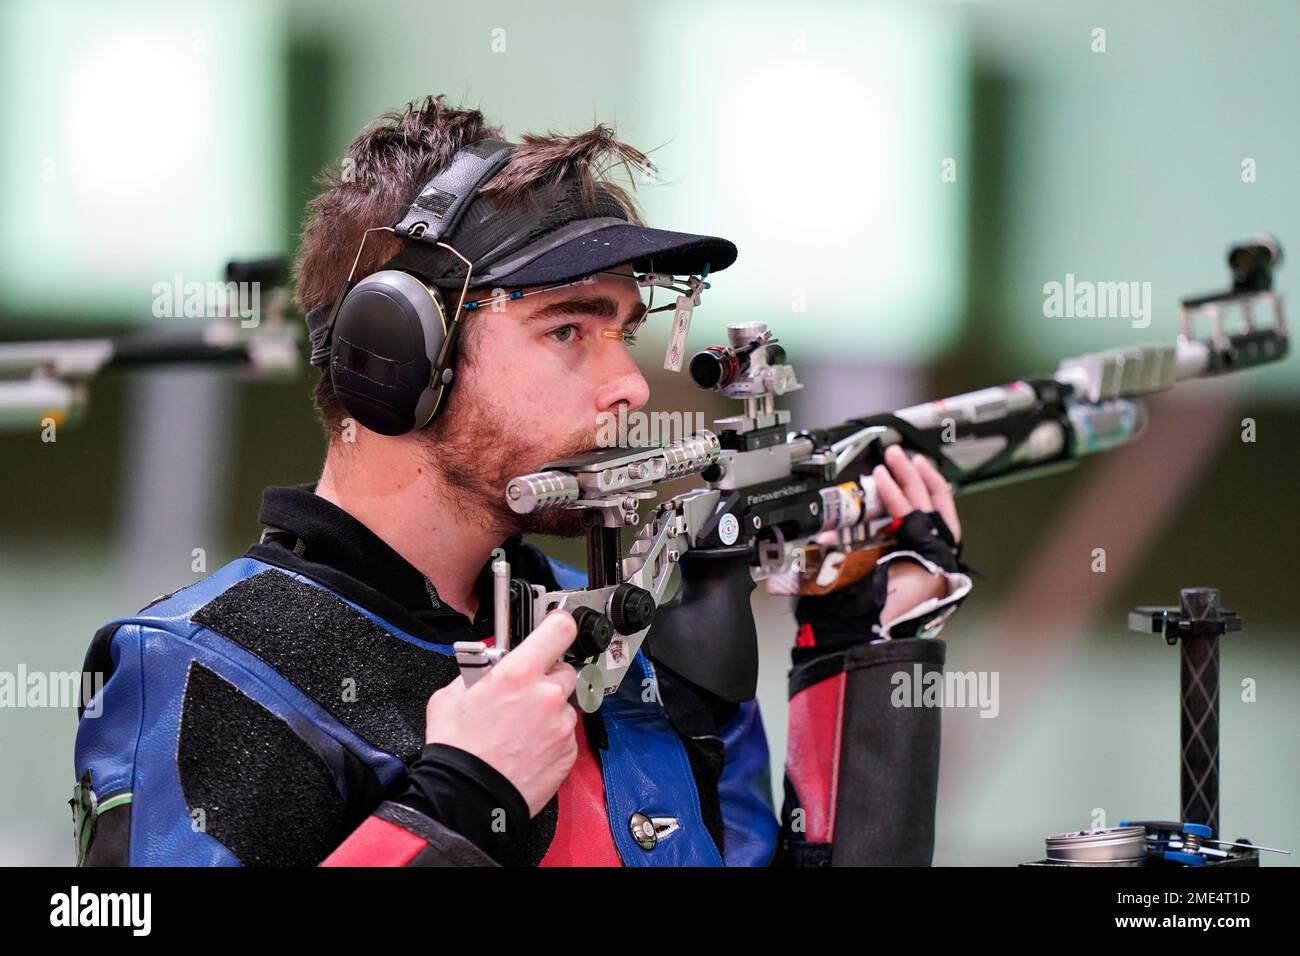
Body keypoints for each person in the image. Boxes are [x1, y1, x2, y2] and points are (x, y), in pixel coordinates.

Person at [71, 95, 971, 867]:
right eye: (569, 329)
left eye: (625, 328)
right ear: (394, 351)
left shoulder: (631, 637)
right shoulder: (204, 663)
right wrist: (457, 804)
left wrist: (866, 654)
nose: (628, 384)